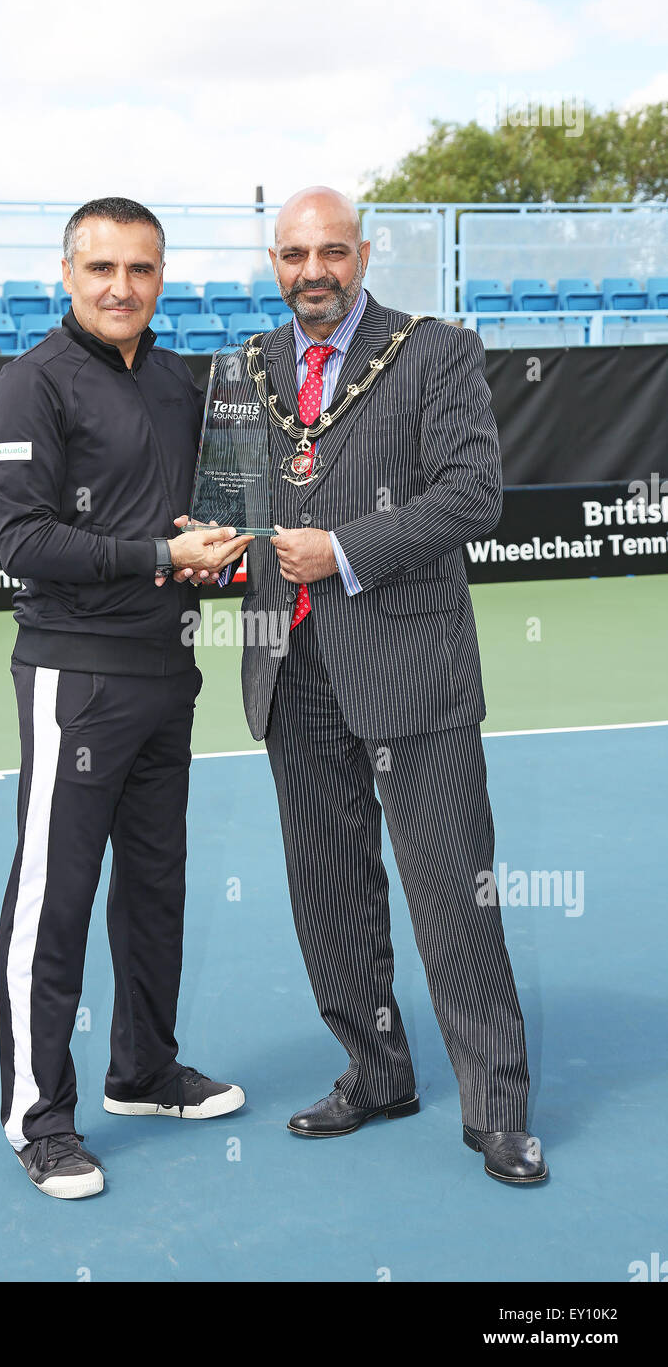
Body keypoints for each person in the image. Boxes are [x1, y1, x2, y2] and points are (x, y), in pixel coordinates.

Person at [237, 185, 547, 1184]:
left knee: (451, 891)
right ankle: (372, 1070)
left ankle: (495, 1107)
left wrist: (341, 548)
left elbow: (471, 495)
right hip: (287, 663)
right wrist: (206, 549)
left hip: (409, 664)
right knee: (326, 890)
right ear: (272, 262)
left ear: (361, 254)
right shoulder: (245, 367)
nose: (311, 270)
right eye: (293, 254)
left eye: (330, 250)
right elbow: (233, 501)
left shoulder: (434, 351)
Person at [0, 196, 250, 1200]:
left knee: (154, 887)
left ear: (160, 275)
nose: (120, 287)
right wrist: (155, 556)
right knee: (52, 900)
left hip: (165, 670)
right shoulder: (29, 385)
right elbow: (22, 540)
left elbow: (195, 513)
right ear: (67, 273)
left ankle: (142, 1070)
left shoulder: (182, 382)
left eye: (140, 269)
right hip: (74, 675)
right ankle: (37, 1117)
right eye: (100, 267)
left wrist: (208, 556)